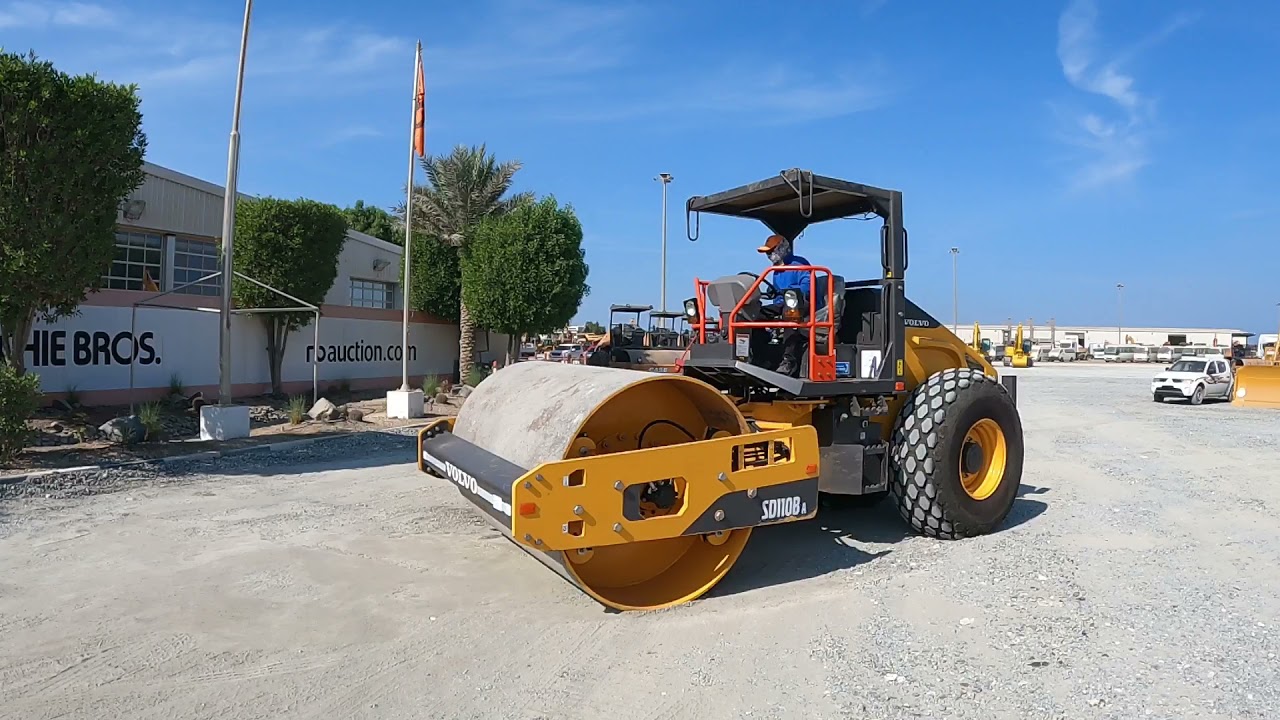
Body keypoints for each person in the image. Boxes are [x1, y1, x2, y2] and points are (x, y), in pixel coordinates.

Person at [757, 234, 826, 377]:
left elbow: (807, 288)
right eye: (767, 253)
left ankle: (789, 361)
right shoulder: (776, 270)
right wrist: (774, 292)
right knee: (756, 314)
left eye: (771, 251)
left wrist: (787, 292)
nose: (769, 255)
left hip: (804, 302)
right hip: (784, 302)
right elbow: (778, 295)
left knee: (790, 313)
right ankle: (760, 355)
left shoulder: (799, 265)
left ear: (782, 249)